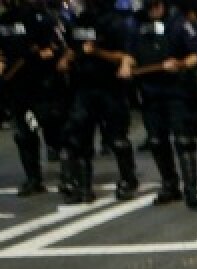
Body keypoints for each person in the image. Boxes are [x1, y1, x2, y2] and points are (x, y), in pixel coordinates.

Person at [56, 0, 138, 204]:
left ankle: (128, 180)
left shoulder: (115, 22)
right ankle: (83, 187)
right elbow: (73, 48)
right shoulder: (77, 22)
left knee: (118, 140)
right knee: (79, 140)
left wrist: (98, 52)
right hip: (83, 86)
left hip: (109, 87)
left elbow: (126, 55)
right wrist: (67, 59)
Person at [134, 0, 197, 208]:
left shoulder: (179, 24)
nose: (153, 10)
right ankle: (169, 184)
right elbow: (130, 51)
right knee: (156, 140)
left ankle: (191, 187)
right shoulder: (139, 25)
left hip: (177, 90)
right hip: (150, 91)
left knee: (183, 139)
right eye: (149, 7)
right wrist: (126, 62)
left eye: (156, 5)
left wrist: (181, 63)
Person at [0, 0, 67, 196]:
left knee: (54, 131)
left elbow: (55, 49)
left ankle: (69, 174)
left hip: (43, 84)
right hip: (17, 87)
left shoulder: (39, 17)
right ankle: (33, 178)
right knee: (23, 135)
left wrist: (37, 56)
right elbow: (0, 54)